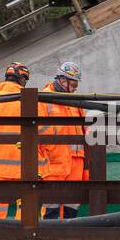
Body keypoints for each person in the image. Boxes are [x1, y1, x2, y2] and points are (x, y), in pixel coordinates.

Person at [0, 62, 43, 220]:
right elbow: (40, 129)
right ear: (22, 79)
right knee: (26, 201)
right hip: (23, 162)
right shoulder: (28, 100)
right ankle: (22, 234)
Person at [38, 64, 80, 219]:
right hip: (53, 159)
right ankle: (48, 236)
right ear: (63, 80)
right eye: (73, 85)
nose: (75, 89)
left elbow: (82, 129)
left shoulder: (75, 100)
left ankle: (68, 236)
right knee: (51, 203)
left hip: (75, 161)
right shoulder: (43, 99)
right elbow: (38, 130)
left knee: (72, 204)